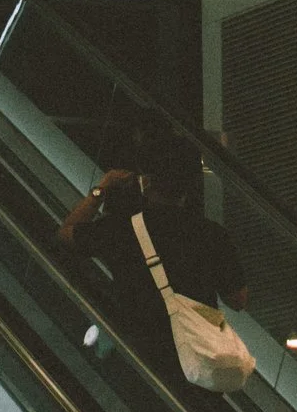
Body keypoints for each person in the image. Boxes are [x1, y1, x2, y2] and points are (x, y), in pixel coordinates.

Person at [60, 139, 248, 394]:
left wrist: (102, 189)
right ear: (189, 188)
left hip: (139, 356)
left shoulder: (121, 229)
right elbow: (238, 300)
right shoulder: (212, 234)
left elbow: (65, 235)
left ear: (146, 183)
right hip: (199, 361)